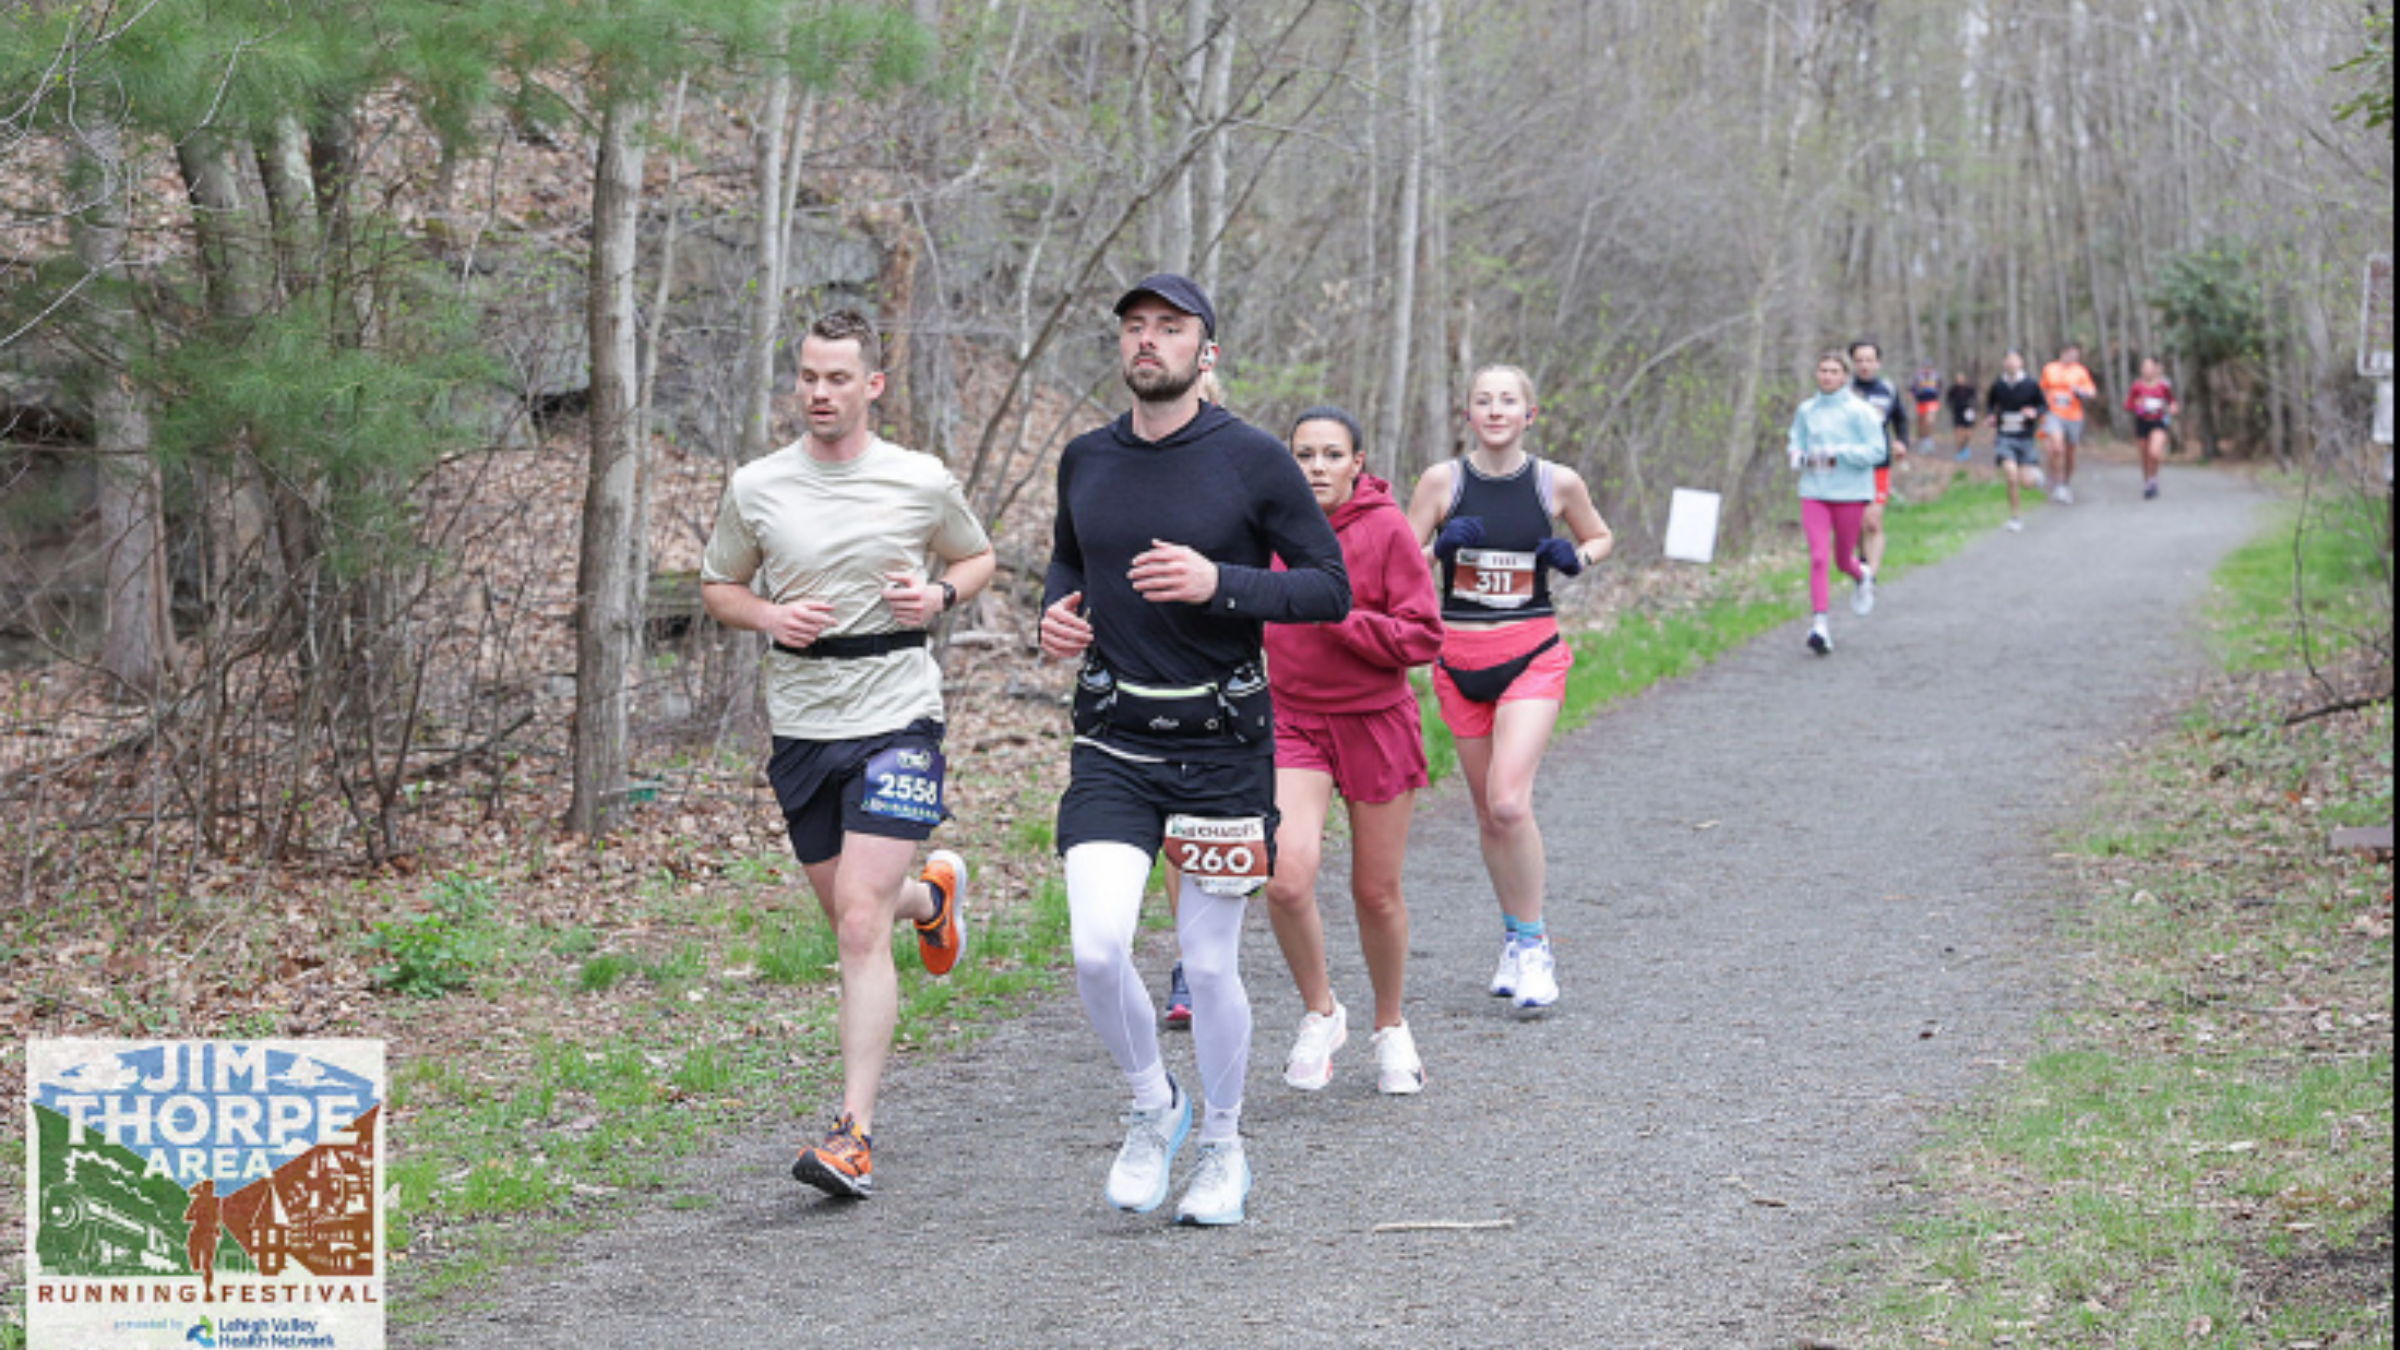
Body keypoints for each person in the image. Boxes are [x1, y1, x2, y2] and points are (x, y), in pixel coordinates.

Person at [1039, 273, 1349, 1227]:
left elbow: (1328, 590)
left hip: (1221, 744)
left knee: (1209, 968)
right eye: (1135, 327)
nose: (1148, 342)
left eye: (1169, 329)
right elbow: (1068, 558)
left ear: (1204, 352)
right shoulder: (1086, 458)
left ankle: (1223, 1143)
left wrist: (1222, 583)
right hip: (1113, 738)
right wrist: (1054, 613)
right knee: (1097, 950)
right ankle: (1152, 1108)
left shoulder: (1254, 461)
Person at [700, 309, 997, 1200]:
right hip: (802, 718)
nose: (819, 394)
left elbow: (978, 556)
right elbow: (718, 586)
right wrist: (768, 616)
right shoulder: (757, 486)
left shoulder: (917, 479)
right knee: (855, 912)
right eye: (807, 377)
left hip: (899, 709)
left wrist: (938, 594)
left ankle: (853, 1133)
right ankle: (933, 896)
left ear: (873, 384)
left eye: (837, 379)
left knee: (859, 926)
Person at [1404, 365, 1614, 1014]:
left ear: (1531, 413)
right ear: (1467, 413)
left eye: (1508, 400)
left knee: (1509, 803)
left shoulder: (1556, 482)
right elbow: (1398, 561)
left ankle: (1535, 944)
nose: (1496, 410)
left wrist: (1573, 558)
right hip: (1458, 660)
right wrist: (1441, 546)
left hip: (1532, 655)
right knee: (1488, 814)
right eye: (1483, 400)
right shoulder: (1443, 482)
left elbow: (1601, 535)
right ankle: (1513, 937)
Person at [1263, 406, 1444, 1095]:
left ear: (1357, 463)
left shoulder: (1387, 529)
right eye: (1303, 454)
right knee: (1284, 877)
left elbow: (1423, 638)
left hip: (1374, 720)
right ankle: (1320, 1011)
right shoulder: (1270, 527)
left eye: (1331, 455)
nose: (1315, 468)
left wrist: (1336, 616)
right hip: (1293, 719)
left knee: (1376, 891)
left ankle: (1391, 1025)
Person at [1789, 350, 1887, 653]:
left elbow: (1877, 452)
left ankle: (1863, 574)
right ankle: (1820, 626)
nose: (1827, 376)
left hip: (1850, 493)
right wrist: (1796, 455)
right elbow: (1796, 439)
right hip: (1814, 491)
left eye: (1833, 371)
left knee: (1843, 559)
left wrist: (1841, 453)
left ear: (1844, 376)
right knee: (1819, 556)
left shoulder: (1861, 411)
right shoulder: (1807, 410)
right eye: (1823, 370)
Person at [1847, 340, 1906, 603]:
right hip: (1849, 465)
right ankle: (1862, 561)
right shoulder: (1842, 391)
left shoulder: (1888, 389)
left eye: (1869, 360)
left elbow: (1900, 419)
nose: (1864, 365)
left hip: (1879, 463)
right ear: (1852, 363)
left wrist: (1902, 441)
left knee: (1873, 521)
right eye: (1859, 360)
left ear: (1878, 363)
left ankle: (1869, 578)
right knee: (1856, 523)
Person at [1987, 349, 2047, 532]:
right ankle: (2015, 517)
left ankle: (2036, 477)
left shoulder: (2031, 384)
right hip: (2005, 436)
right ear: (2005, 363)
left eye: (2015, 360)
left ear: (2021, 362)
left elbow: (2044, 405)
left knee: (2026, 483)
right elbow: (1990, 404)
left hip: (2025, 438)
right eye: (2008, 361)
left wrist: (2034, 413)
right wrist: (1991, 417)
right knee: (2011, 476)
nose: (2012, 364)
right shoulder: (1998, 385)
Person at [2039, 341, 2100, 504]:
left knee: (2070, 453)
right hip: (2053, 413)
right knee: (2056, 448)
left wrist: (2081, 391)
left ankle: (2065, 482)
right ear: (2063, 353)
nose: (2074, 357)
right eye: (2072, 353)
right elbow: (2043, 389)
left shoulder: (2081, 371)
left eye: (2077, 354)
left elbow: (2092, 391)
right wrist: (2042, 410)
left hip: (2074, 415)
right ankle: (2058, 482)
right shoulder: (2049, 369)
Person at [2124, 358, 2180, 501]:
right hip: (2142, 422)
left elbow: (2171, 400)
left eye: (2150, 367)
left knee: (2154, 453)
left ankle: (2153, 479)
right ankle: (2148, 482)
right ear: (2142, 370)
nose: (2147, 370)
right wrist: (2137, 405)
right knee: (2145, 456)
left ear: (2156, 370)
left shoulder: (2163, 386)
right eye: (2145, 367)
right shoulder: (2137, 386)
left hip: (2159, 422)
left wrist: (2173, 407)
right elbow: (2128, 405)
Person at [1946, 370, 1981, 461]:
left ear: (1964, 379)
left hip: (1968, 412)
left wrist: (1973, 407)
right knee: (1958, 432)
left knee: (1968, 432)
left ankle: (1965, 448)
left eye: (1961, 378)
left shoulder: (1970, 389)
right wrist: (1952, 407)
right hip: (1957, 412)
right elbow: (1948, 400)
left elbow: (1975, 399)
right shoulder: (1953, 389)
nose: (1959, 380)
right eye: (1957, 378)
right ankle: (1959, 451)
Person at [1910, 365, 1944, 458]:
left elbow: (1940, 386)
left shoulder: (1936, 376)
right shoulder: (1918, 377)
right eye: (1925, 368)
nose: (1927, 370)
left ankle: (1929, 440)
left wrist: (1937, 393)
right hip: (1921, 401)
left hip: (1932, 401)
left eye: (1929, 368)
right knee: (1922, 422)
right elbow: (1912, 388)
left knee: (1930, 420)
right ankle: (1923, 440)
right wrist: (1913, 394)